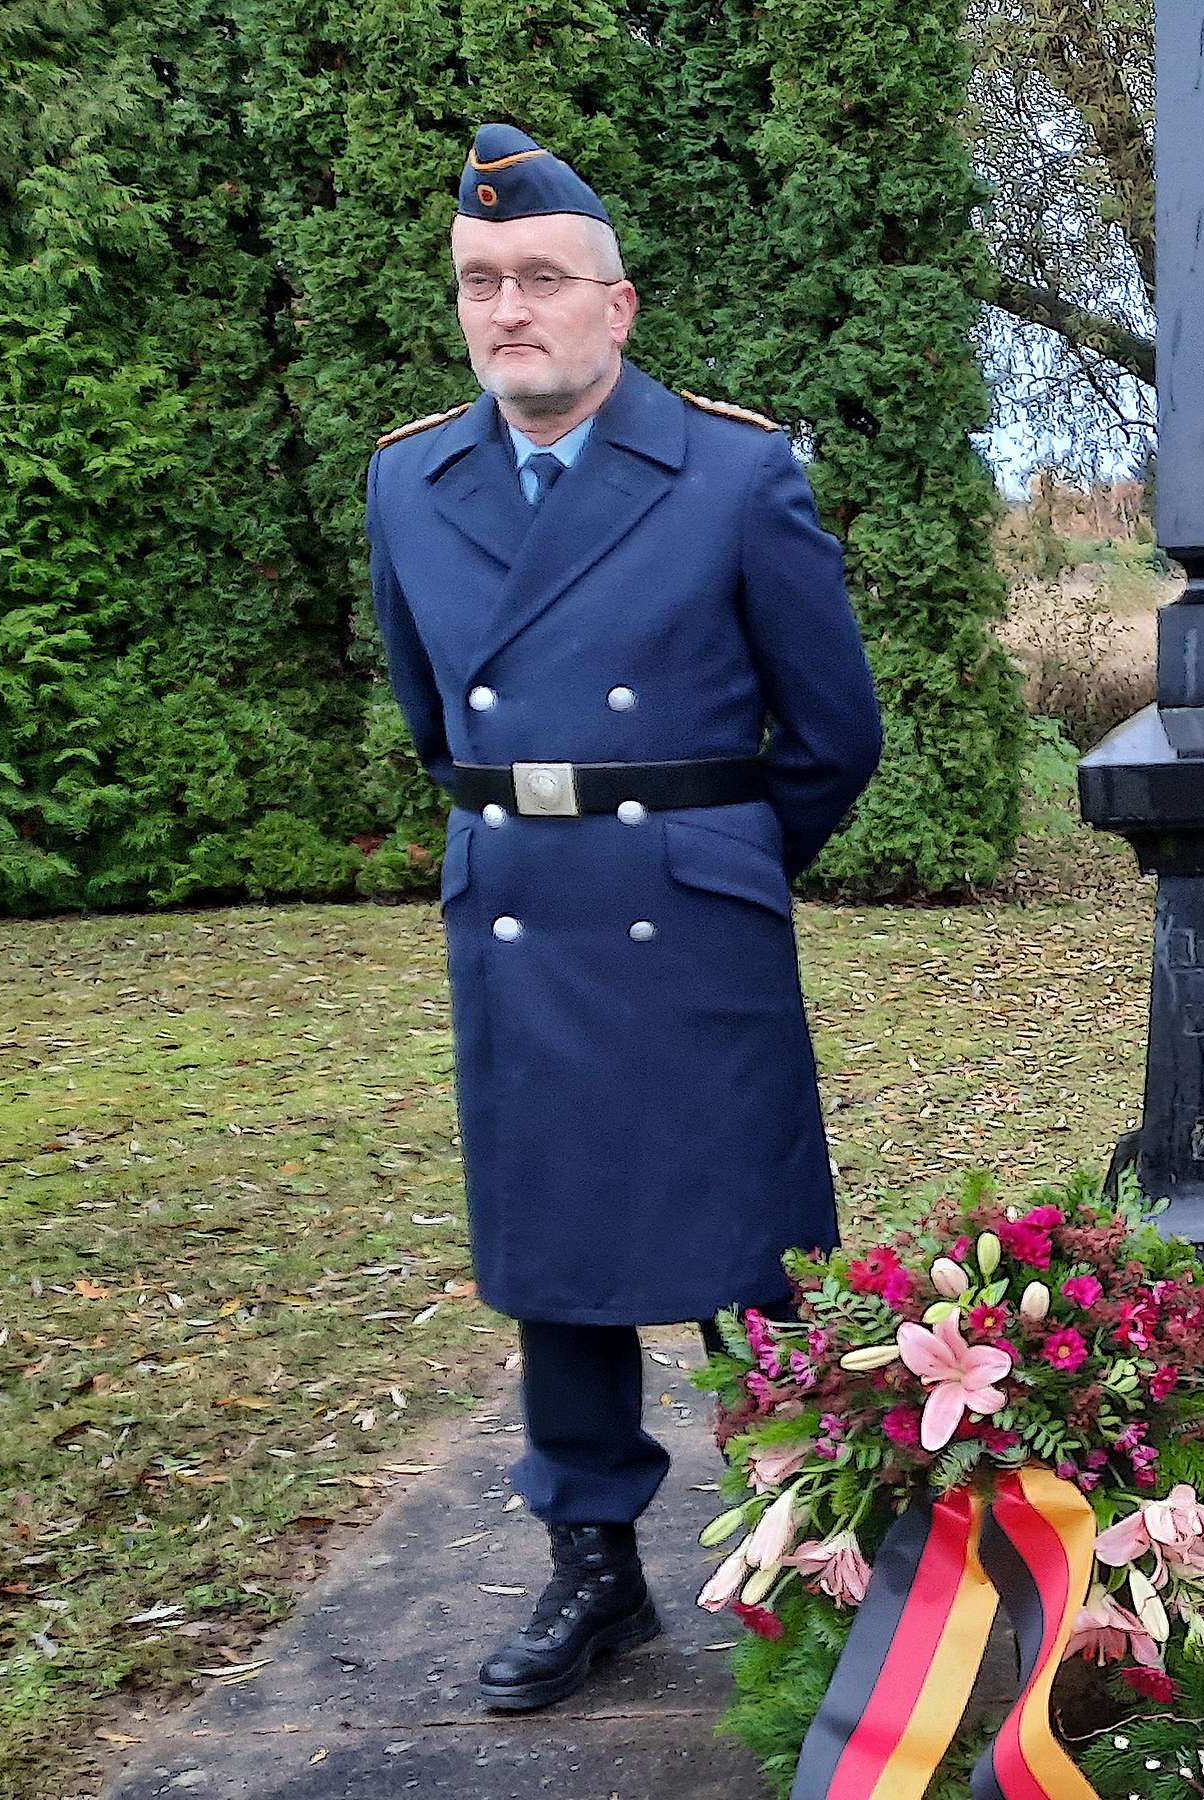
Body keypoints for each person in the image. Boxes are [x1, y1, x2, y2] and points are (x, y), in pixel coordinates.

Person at [363, 124, 884, 1710]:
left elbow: (834, 730)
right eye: (479, 283)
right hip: (516, 906)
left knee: (751, 1244)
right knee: (556, 1249)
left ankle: (811, 1533)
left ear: (617, 306)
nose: (507, 308)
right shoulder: (409, 479)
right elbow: (429, 713)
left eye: (540, 278)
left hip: (691, 908)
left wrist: (713, 857)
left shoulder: (733, 469)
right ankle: (594, 1567)